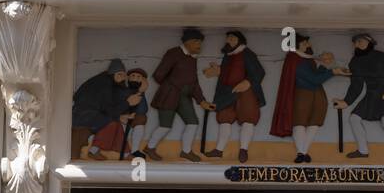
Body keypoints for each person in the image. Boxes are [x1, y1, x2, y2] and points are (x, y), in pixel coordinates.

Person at [333, 32, 384, 162]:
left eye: (361, 41)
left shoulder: (380, 56)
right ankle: (362, 150)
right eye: (356, 42)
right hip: (371, 95)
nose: (358, 44)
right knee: (354, 118)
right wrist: (346, 102)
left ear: (369, 42)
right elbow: (356, 85)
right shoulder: (355, 61)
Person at [269, 32, 346, 163]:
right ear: (296, 46)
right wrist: (333, 71)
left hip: (317, 95)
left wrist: (324, 65)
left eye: (307, 42)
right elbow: (314, 79)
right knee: (300, 122)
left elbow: (316, 76)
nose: (309, 45)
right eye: (304, 43)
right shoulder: (294, 60)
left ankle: (303, 152)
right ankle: (301, 152)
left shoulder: (307, 59)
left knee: (314, 123)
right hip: (302, 95)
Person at [145, 28, 216, 161]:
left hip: (184, 97)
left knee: (193, 123)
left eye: (200, 42)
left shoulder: (192, 59)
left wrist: (202, 101)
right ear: (187, 42)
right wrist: (173, 85)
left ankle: (186, 151)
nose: (199, 45)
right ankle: (150, 147)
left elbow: (194, 82)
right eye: (196, 41)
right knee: (165, 126)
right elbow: (158, 75)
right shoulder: (174, 53)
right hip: (169, 95)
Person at [202, 30, 266, 163]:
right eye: (228, 39)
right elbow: (227, 72)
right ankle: (219, 150)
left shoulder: (247, 54)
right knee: (225, 118)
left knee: (248, 118)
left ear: (239, 41)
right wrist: (217, 70)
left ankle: (243, 150)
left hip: (245, 92)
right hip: (227, 92)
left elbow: (259, 72)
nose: (228, 41)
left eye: (232, 38)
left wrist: (247, 82)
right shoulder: (228, 56)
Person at [70, 59, 136, 161]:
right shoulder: (105, 84)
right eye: (120, 75)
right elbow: (108, 110)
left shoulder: (103, 80)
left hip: (86, 114)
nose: (123, 78)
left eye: (124, 75)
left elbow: (106, 107)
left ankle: (125, 154)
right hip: (83, 116)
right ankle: (95, 151)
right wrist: (128, 103)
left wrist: (120, 115)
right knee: (112, 123)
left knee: (115, 122)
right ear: (114, 74)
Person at [88, 67, 149, 159]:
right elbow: (113, 107)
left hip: (124, 118)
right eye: (133, 76)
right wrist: (122, 116)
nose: (135, 78)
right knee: (114, 125)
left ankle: (132, 151)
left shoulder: (139, 92)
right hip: (112, 117)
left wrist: (141, 92)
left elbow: (142, 110)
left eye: (138, 77)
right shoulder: (121, 90)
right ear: (128, 78)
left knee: (141, 118)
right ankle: (95, 149)